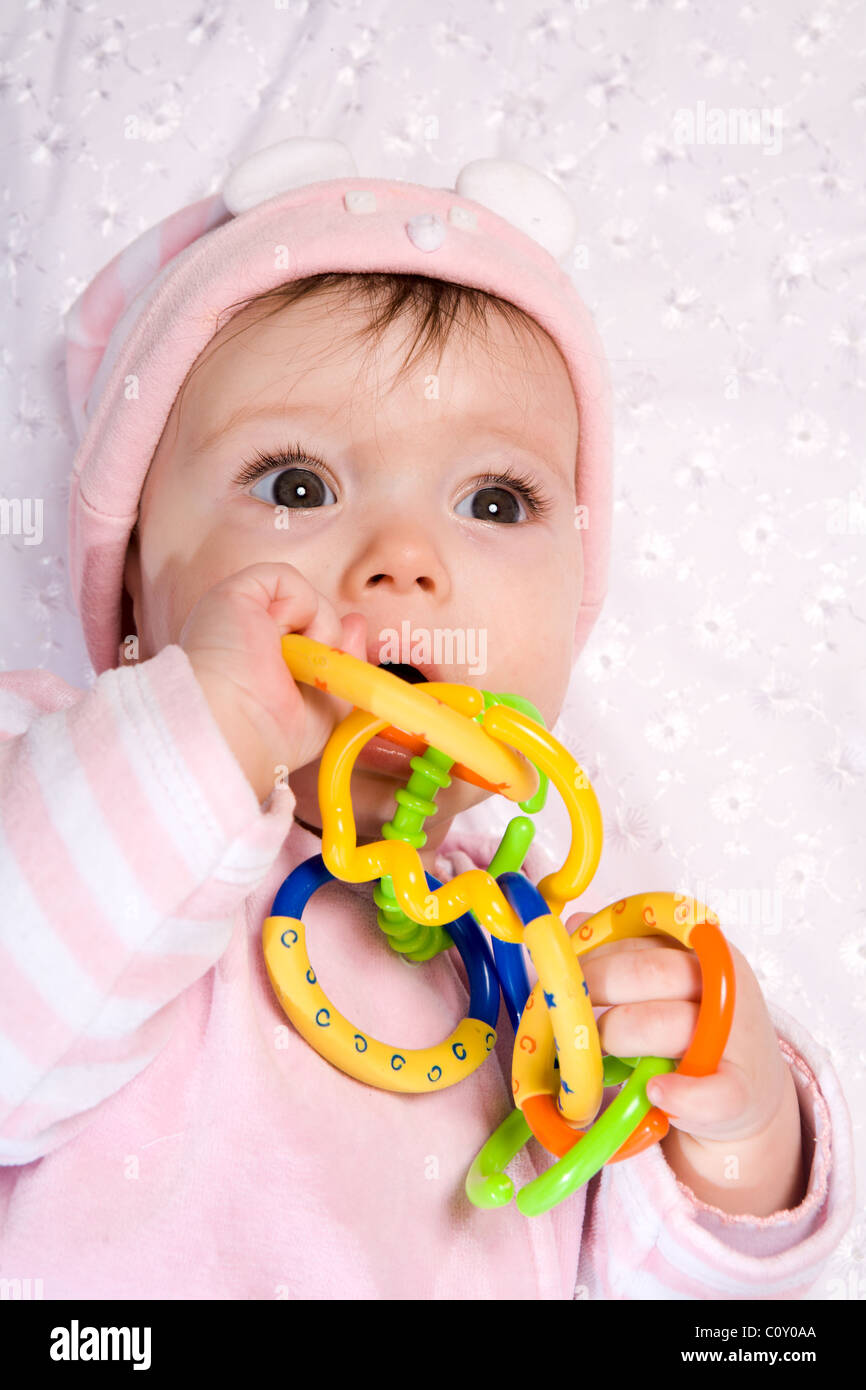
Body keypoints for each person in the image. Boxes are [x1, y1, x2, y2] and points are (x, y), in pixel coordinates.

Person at [0, 139, 854, 1299]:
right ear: (138, 591)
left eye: (494, 502)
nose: (404, 562)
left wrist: (742, 1135)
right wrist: (200, 732)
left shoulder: (553, 950)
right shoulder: (53, 778)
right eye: (295, 486)